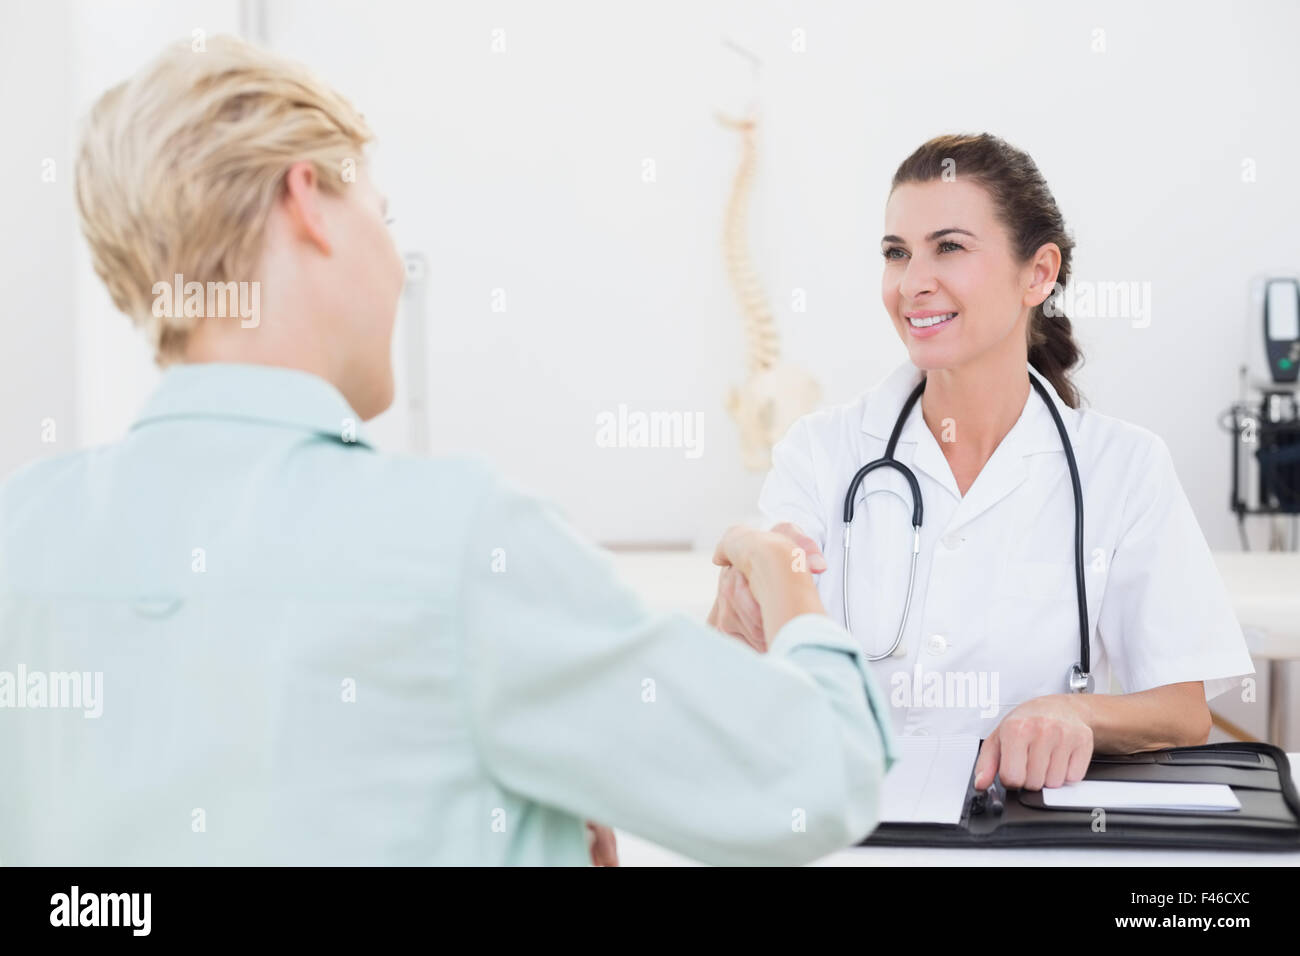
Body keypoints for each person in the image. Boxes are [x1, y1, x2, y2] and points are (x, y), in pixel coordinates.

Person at [0, 35, 895, 866]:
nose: (394, 262)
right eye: (380, 214)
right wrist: (792, 589)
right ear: (307, 199)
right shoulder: (456, 540)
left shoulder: (22, 531)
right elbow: (817, 778)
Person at [710, 133, 1254, 794]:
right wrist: (742, 601)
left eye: (950, 247)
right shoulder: (823, 453)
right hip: (853, 831)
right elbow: (752, 654)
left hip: (1024, 836)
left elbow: (1181, 710)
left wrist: (1070, 712)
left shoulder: (1123, 467)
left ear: (1039, 273)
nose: (912, 284)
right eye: (896, 253)